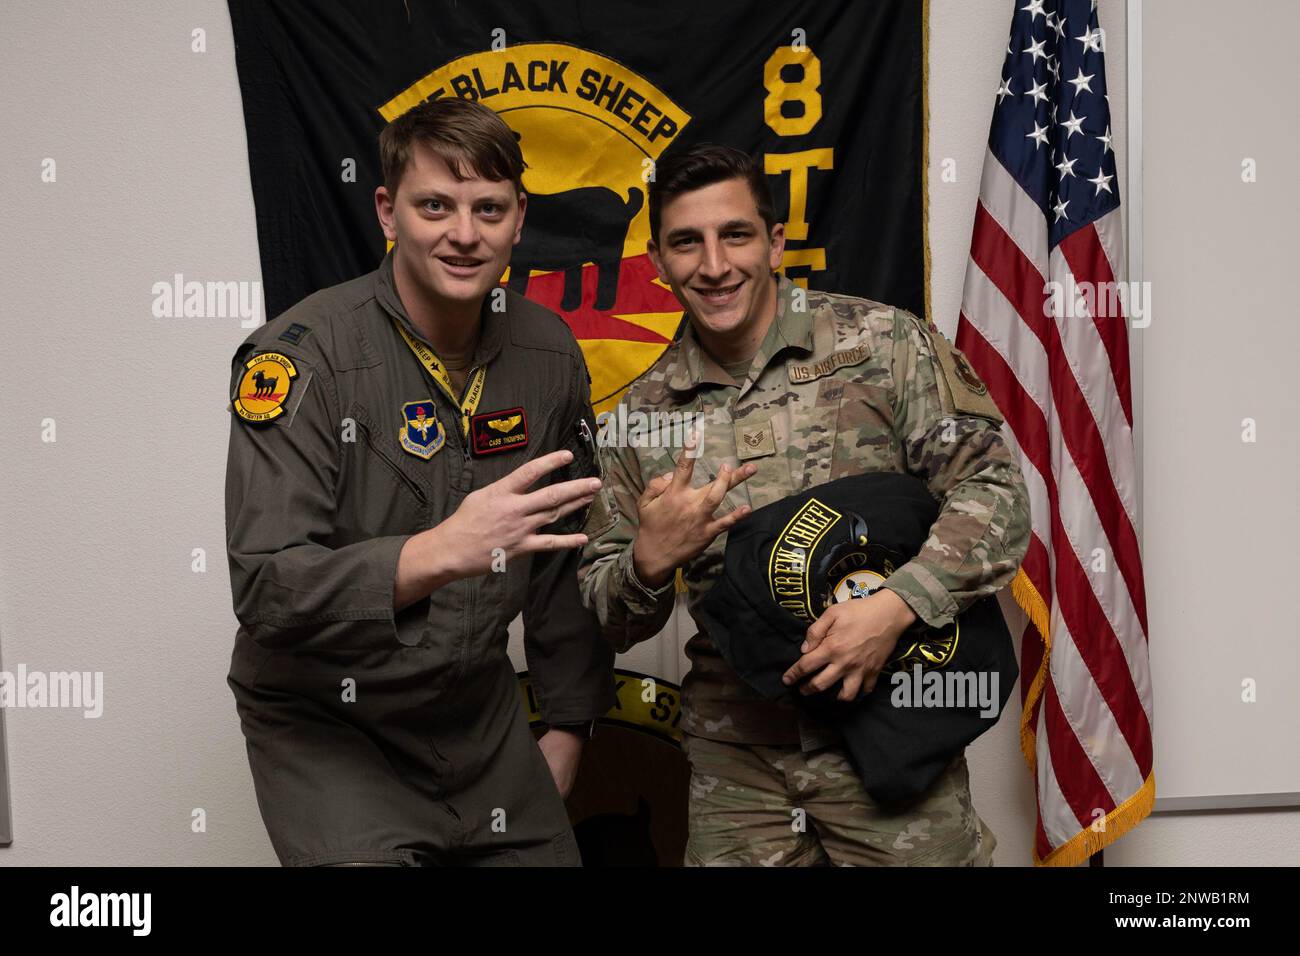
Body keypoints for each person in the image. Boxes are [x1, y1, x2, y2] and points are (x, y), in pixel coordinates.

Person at [578, 144, 1031, 866]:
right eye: (686, 243)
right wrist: (646, 561)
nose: (715, 265)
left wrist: (897, 606)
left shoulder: (884, 344)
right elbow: (607, 615)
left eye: (735, 235)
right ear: (659, 261)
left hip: (887, 735)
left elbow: (994, 493)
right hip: (738, 768)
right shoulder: (639, 414)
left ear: (776, 241)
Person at [225, 97, 613, 867]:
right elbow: (267, 586)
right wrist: (442, 550)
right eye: (434, 205)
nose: (464, 235)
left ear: (519, 218)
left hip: (478, 711)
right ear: (387, 212)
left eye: (488, 209)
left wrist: (569, 723)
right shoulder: (299, 358)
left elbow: (563, 555)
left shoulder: (548, 352)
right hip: (330, 720)